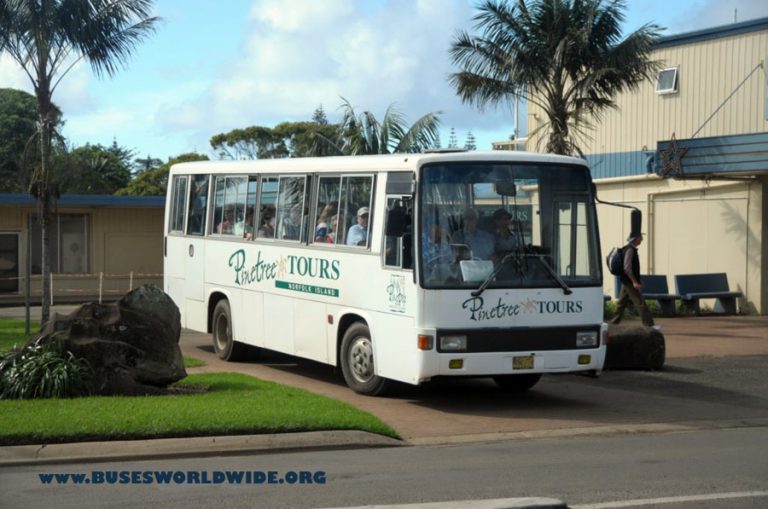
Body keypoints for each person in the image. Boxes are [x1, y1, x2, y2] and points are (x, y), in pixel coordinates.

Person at [611, 232, 656, 327]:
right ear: (635, 239)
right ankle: (649, 325)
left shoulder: (629, 249)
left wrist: (638, 279)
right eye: (641, 237)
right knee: (640, 302)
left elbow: (633, 268)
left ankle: (613, 324)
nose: (642, 239)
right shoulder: (630, 250)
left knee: (621, 304)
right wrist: (635, 282)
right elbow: (627, 268)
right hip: (629, 281)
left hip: (626, 281)